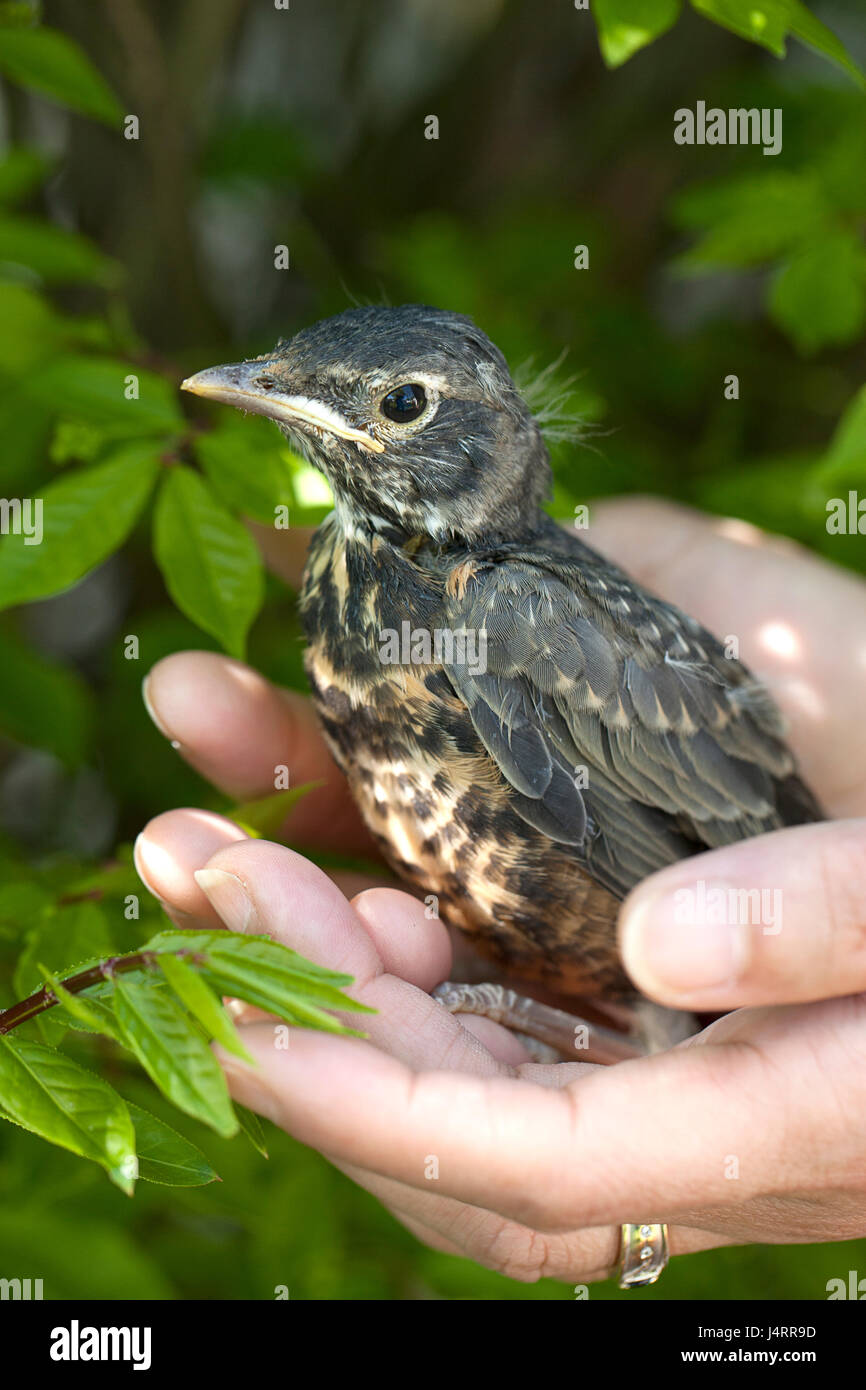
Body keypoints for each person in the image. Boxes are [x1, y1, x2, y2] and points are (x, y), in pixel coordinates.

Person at [134, 498, 866, 1286]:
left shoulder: (503, 607)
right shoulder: (369, 581)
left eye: (405, 405)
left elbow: (665, 877)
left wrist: (657, 1038)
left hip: (685, 949)